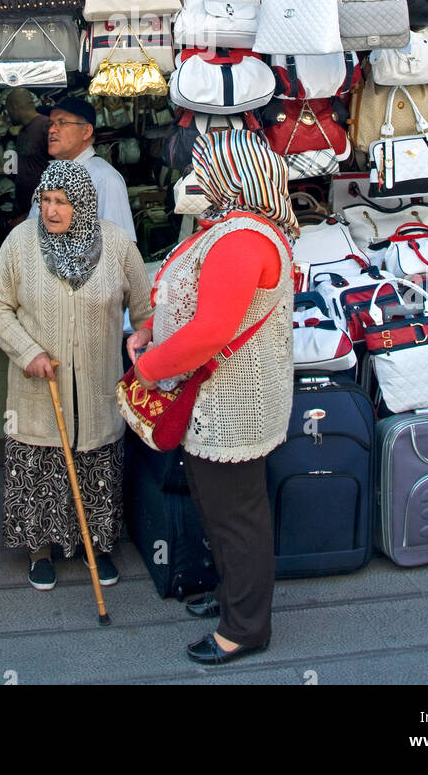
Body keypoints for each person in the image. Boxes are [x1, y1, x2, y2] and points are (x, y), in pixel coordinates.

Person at [127, 129, 296, 666]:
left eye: (206, 167)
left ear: (234, 174)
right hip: (218, 398)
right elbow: (199, 298)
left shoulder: (242, 238)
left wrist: (151, 368)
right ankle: (233, 599)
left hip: (232, 403)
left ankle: (245, 628)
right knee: (222, 510)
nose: (196, 178)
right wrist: (155, 325)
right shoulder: (233, 228)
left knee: (236, 515)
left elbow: (211, 329)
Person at [0, 159, 151, 591]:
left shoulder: (115, 244)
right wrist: (28, 351)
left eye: (62, 202)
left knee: (96, 462)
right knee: (40, 462)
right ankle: (39, 550)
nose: (51, 210)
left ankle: (98, 546)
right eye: (46, 200)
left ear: (84, 203)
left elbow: (145, 307)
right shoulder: (20, 242)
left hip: (97, 384)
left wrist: (144, 334)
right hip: (40, 386)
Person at [26, 95, 137, 240]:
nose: (52, 130)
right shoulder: (52, 176)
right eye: (50, 124)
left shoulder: (104, 179)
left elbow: (121, 247)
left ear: (86, 132)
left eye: (62, 122)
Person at [1, 87, 51, 219]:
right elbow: (28, 163)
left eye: (8, 110)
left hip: (39, 211)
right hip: (22, 209)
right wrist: (0, 170)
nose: (8, 114)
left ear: (14, 107)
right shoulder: (23, 131)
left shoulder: (45, 126)